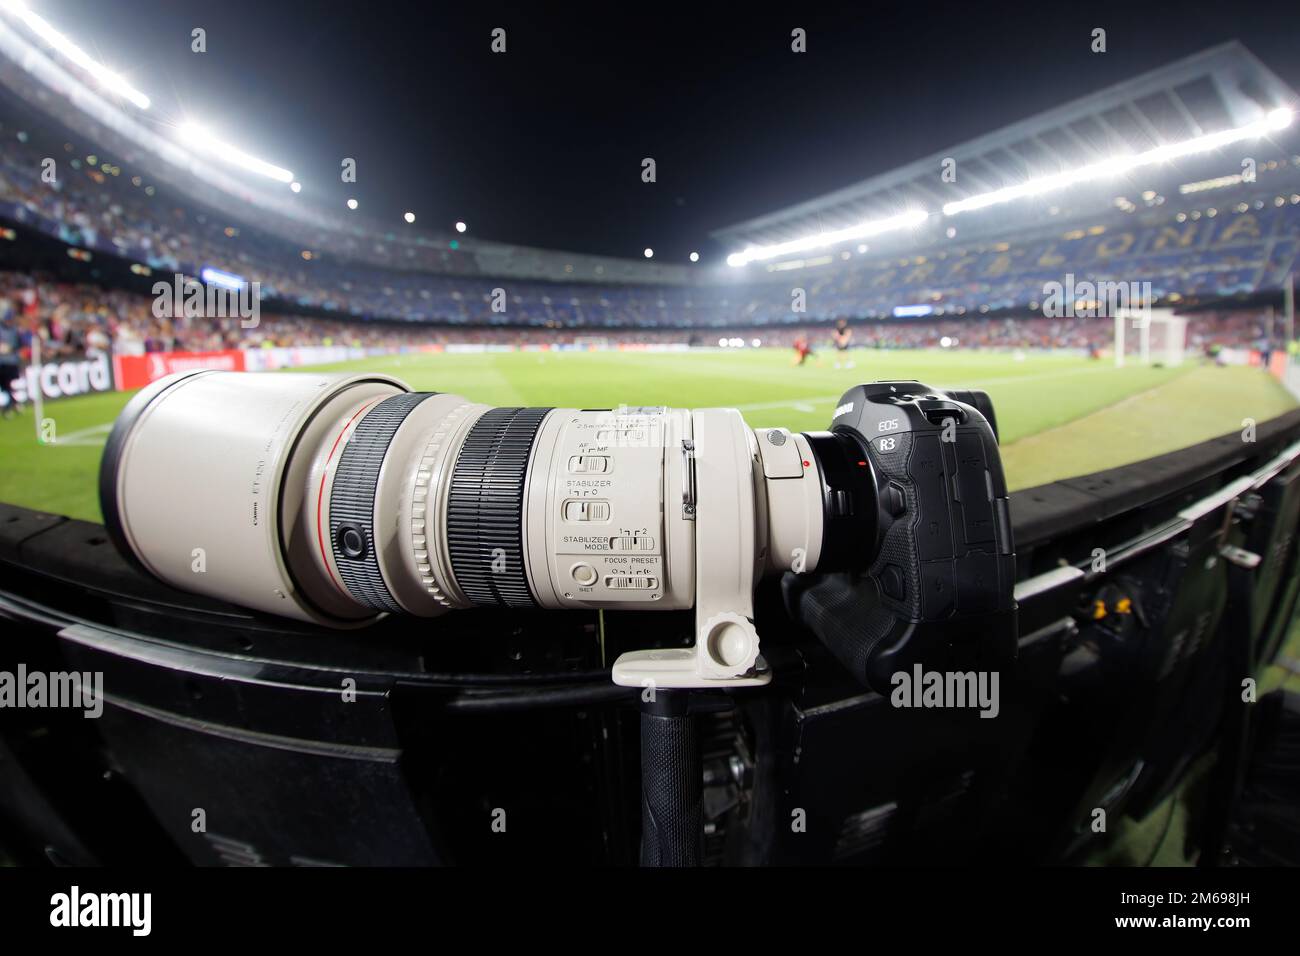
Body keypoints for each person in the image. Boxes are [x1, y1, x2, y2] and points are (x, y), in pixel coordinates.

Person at [0, 317, 21, 416]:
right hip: (3, 362)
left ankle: (10, 406)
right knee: (5, 386)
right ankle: (14, 403)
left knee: (6, 385)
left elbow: (18, 344)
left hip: (10, 363)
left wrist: (10, 348)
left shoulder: (14, 330)